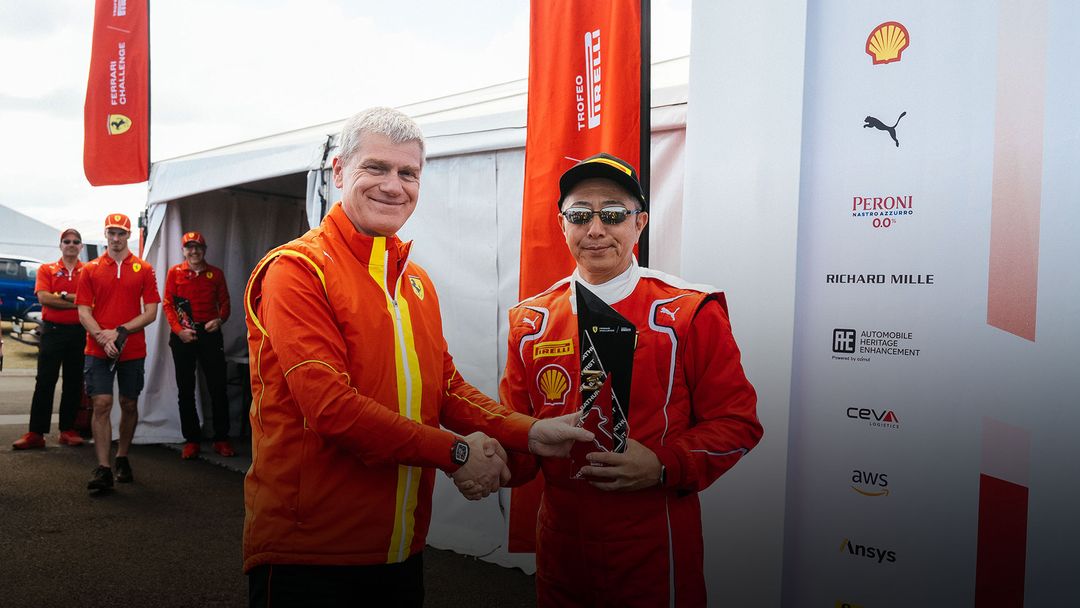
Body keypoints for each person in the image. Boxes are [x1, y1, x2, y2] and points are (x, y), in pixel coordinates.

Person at [242, 107, 591, 607]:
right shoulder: (298, 269)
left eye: (408, 173)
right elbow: (331, 409)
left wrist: (529, 432)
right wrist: (458, 454)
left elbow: (446, 389)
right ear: (339, 171)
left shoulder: (414, 281)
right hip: (310, 554)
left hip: (400, 547)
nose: (393, 185)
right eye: (376, 168)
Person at [496, 153, 764, 607]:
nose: (595, 229)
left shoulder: (687, 312)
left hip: (654, 541)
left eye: (613, 214)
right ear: (562, 225)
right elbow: (517, 437)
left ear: (639, 223)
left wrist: (663, 464)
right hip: (561, 545)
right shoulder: (531, 321)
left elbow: (738, 424)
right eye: (580, 215)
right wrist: (490, 457)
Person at [77, 213, 160, 492]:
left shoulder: (144, 269)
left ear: (127, 236)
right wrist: (103, 336)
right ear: (105, 235)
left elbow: (150, 312)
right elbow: (83, 311)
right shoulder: (90, 269)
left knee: (129, 404)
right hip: (98, 348)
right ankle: (103, 468)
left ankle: (122, 456)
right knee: (101, 403)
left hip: (132, 348)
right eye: (111, 233)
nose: (115, 238)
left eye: (121, 233)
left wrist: (121, 331)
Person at [163, 231, 234, 459]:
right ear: (183, 251)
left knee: (218, 387)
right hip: (183, 335)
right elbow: (168, 305)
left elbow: (225, 302)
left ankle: (221, 438)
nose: (194, 252)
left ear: (204, 250)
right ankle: (192, 440)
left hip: (210, 333)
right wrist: (179, 331)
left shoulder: (216, 274)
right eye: (189, 247)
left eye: (198, 247)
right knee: (185, 388)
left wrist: (220, 319)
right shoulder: (175, 272)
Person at [12, 229, 86, 450]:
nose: (71, 244)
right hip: (52, 331)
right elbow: (44, 298)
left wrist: (61, 295)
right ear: (60, 245)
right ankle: (36, 432)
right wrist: (78, 301)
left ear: (81, 246)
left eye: (76, 241)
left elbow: (92, 300)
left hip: (79, 332)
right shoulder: (47, 269)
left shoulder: (89, 271)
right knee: (45, 381)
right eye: (67, 241)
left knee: (74, 382)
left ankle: (67, 429)